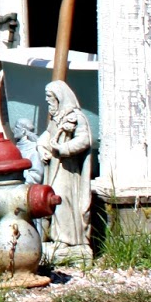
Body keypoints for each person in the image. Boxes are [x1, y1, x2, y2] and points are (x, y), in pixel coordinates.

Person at [39, 80, 93, 262]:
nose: (47, 102)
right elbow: (46, 135)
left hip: (68, 171)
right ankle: (57, 237)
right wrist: (42, 147)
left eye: (50, 99)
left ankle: (68, 240)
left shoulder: (75, 117)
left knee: (63, 200)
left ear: (59, 98)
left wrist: (64, 149)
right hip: (54, 167)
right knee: (52, 199)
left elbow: (84, 140)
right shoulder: (57, 118)